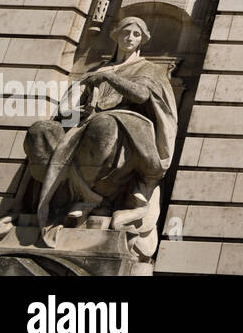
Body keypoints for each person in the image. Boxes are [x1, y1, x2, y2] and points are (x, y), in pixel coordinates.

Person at [24, 16, 177, 235]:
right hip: (83, 125)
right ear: (116, 36)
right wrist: (79, 111)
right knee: (40, 130)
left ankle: (89, 198)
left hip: (127, 127)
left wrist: (109, 79)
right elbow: (65, 110)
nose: (130, 38)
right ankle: (63, 196)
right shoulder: (100, 69)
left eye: (136, 34)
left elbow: (142, 95)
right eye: (125, 32)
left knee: (104, 123)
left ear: (142, 39)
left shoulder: (149, 69)